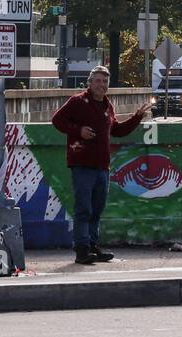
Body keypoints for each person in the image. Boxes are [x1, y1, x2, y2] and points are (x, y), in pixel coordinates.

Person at [51, 65, 153, 264]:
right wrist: (78, 131)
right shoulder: (77, 102)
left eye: (105, 81)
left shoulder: (107, 105)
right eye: (98, 81)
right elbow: (57, 120)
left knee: (97, 209)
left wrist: (137, 117)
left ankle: (92, 245)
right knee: (83, 209)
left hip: (102, 165)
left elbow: (117, 130)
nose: (102, 85)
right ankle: (81, 249)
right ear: (90, 83)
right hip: (82, 163)